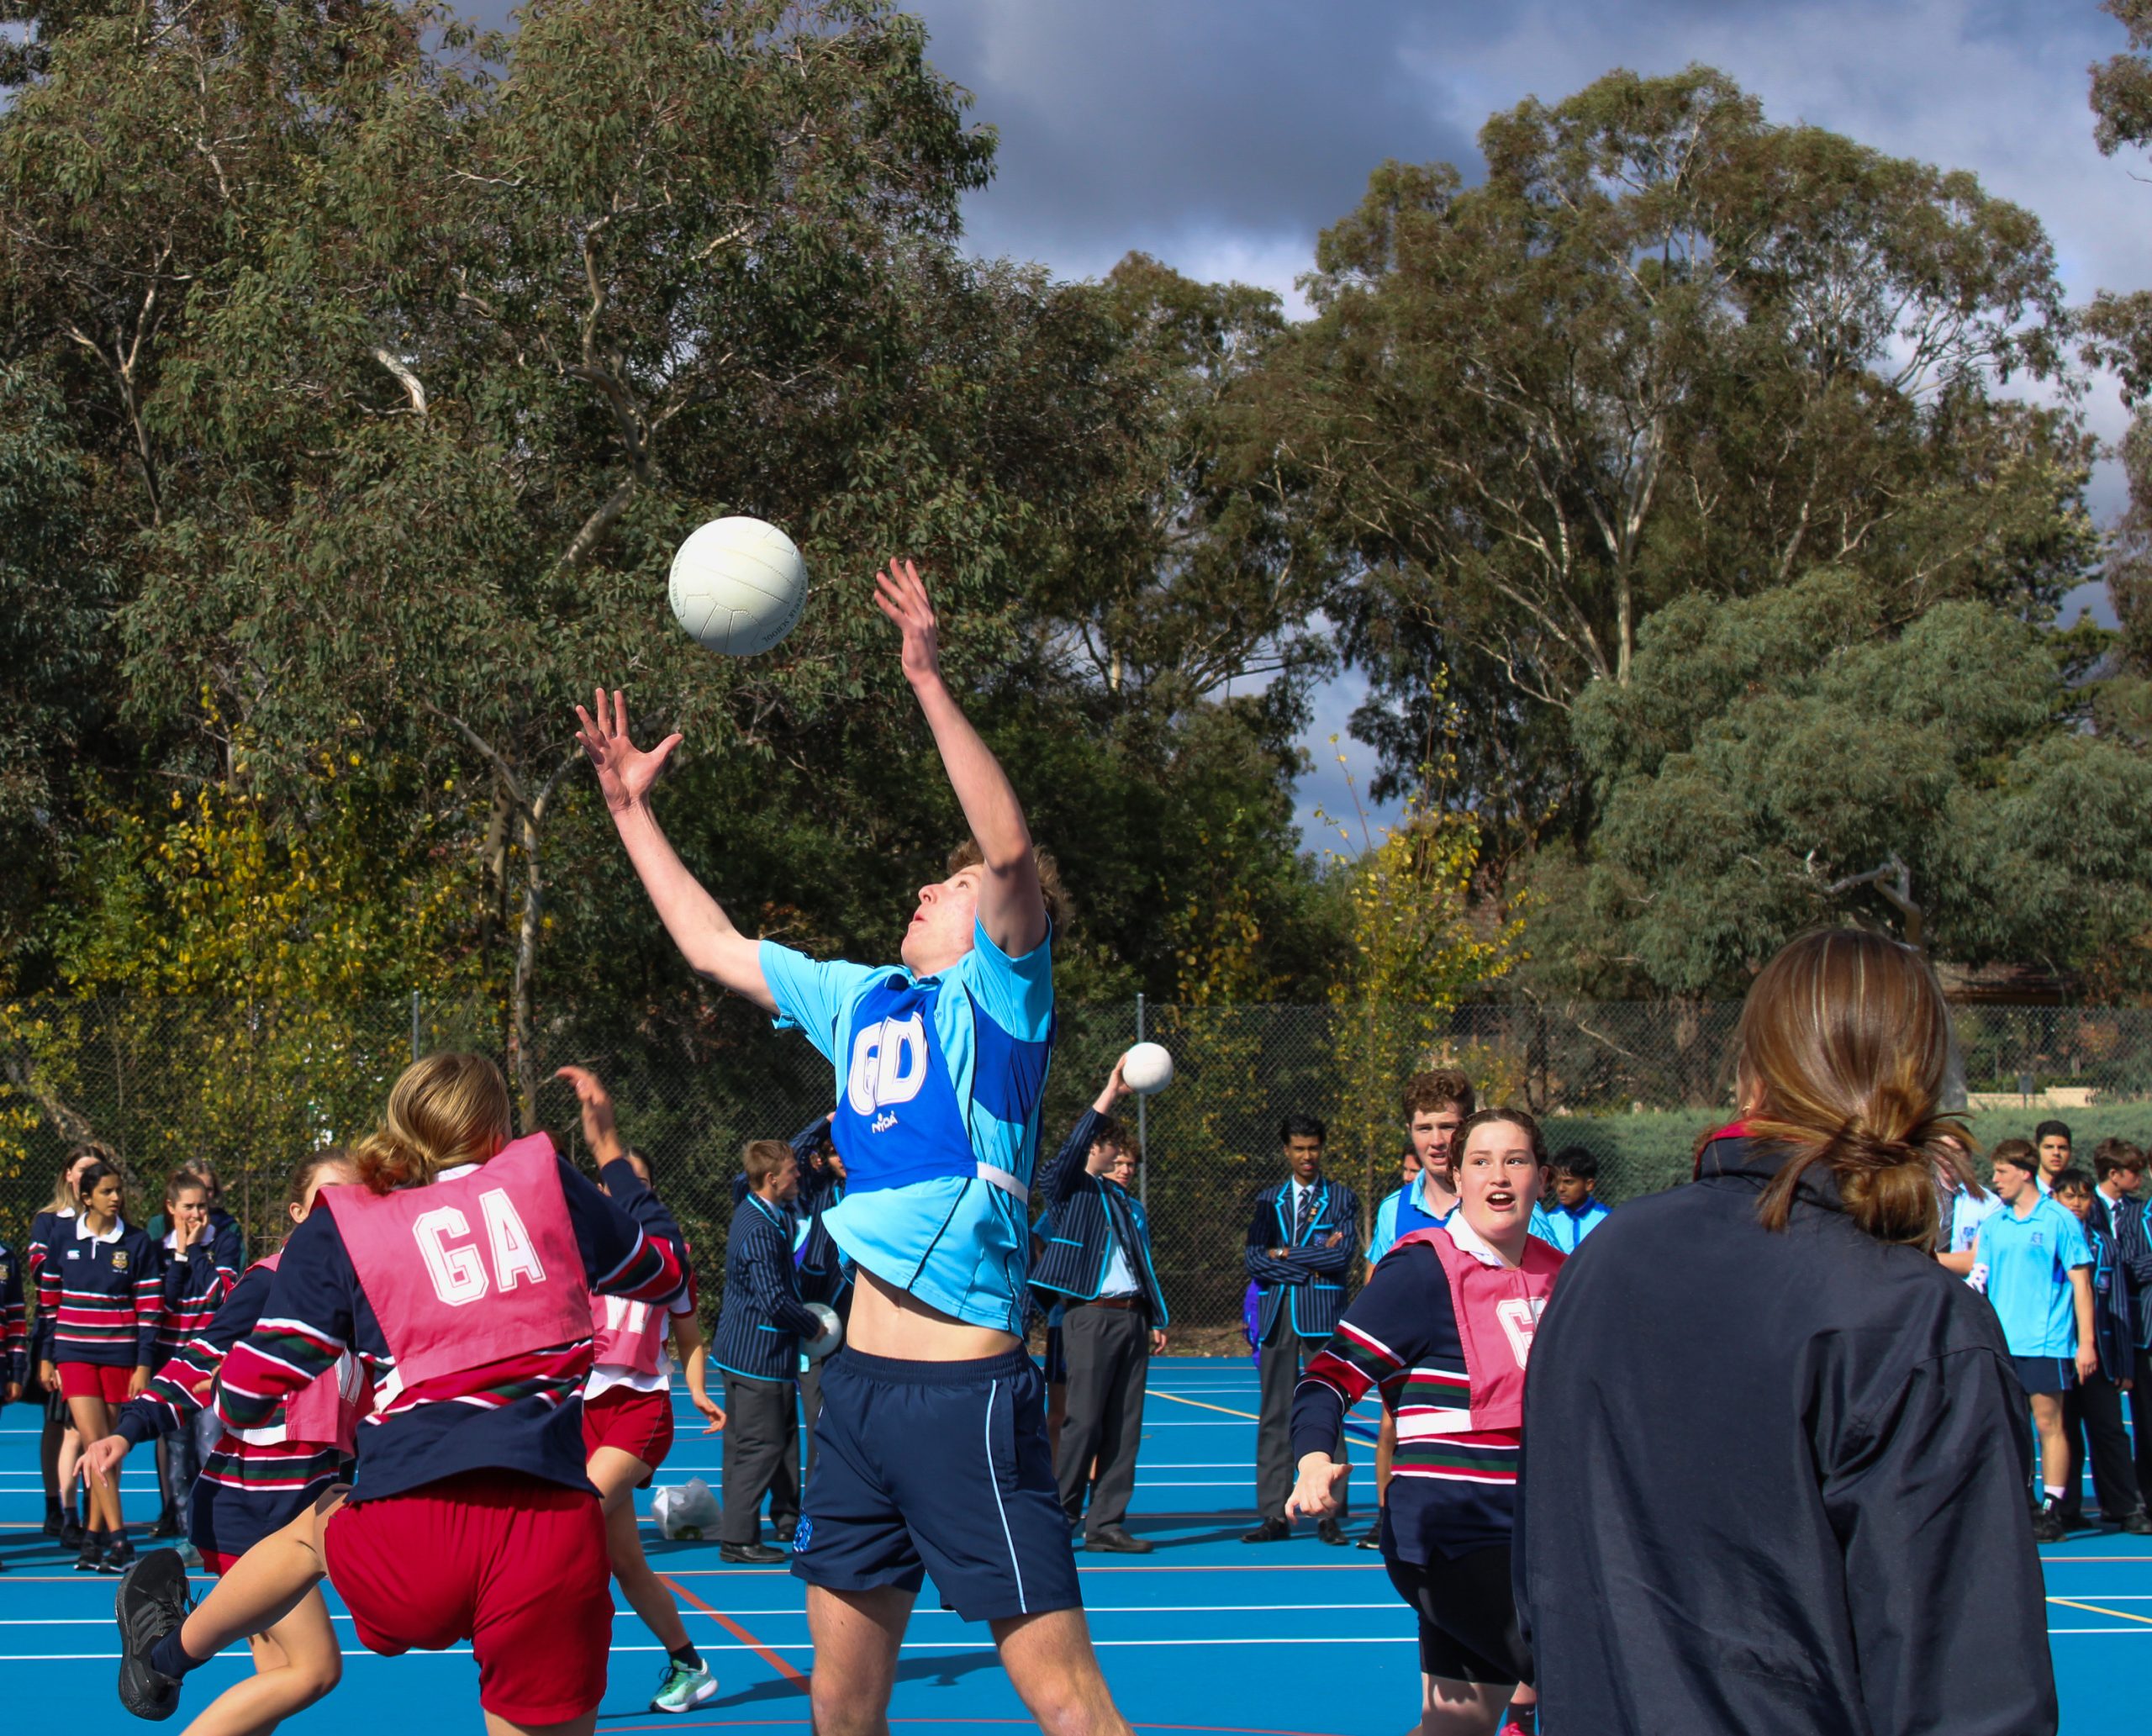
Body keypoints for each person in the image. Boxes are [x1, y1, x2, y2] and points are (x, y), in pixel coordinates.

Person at [579, 558, 1136, 1736]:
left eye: (951, 881)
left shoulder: (1000, 1008)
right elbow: (712, 942)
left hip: (966, 1394)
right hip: (860, 1398)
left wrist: (928, 681)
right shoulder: (857, 998)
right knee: (841, 1704)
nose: (932, 884)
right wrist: (632, 811)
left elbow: (1013, 852)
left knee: (1065, 1699)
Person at [1517, 929, 2058, 1734]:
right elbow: (1967, 1693)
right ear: (1925, 1079)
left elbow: (1540, 1592)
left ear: (1752, 1072)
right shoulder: (1907, 1315)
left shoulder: (1606, 1258)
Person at [110, 1052, 689, 1735]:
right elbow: (667, 1270)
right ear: (498, 1128)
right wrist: (610, 1153)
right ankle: (169, 1654)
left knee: (312, 1529)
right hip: (548, 1527)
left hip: (411, 1526)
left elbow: (242, 1395)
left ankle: (169, 1656)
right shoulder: (546, 1183)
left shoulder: (347, 1222)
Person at [1290, 1109, 1563, 1736]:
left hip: (1535, 1536)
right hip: (1450, 1535)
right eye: (1481, 1161)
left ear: (1542, 1178)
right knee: (1590, 1674)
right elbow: (1327, 1377)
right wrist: (1311, 1459)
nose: (1499, 1176)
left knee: (1456, 1727)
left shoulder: (1562, 1277)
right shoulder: (1421, 1272)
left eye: (1516, 1161)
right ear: (1457, 1178)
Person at [83, 1150, 362, 1735]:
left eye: (356, 1199)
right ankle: (159, 1652)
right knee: (314, 1669)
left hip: (300, 1504)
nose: (342, 1213)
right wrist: (129, 1430)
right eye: (326, 1201)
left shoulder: (368, 1292)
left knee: (277, 1678)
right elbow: (199, 1358)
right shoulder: (270, 1282)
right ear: (295, 1212)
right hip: (252, 1507)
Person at [558, 1063, 727, 1713]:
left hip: (638, 1410)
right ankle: (689, 1663)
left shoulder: (664, 1255)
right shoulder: (581, 1251)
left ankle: (568, 1677)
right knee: (625, 1559)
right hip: (585, 1411)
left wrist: (699, 1389)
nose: (625, 1196)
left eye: (638, 1186)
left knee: (569, 1529)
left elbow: (688, 1336)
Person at [1031, 1053, 1170, 1554]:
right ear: (1093, 1149)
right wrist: (1110, 1092)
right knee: (1082, 1420)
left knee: (1124, 1424)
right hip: (1088, 1315)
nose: (1116, 1155)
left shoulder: (1127, 1206)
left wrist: (1156, 1316)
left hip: (1130, 1315)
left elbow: (1143, 1264)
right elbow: (1064, 1159)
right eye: (1106, 1144)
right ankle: (1061, 1515)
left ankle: (1107, 1522)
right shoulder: (1073, 1193)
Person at [1362, 1069, 1474, 1550]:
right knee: (1399, 1433)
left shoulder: (1495, 1196)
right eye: (1424, 1127)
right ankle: (1391, 1518)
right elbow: (1376, 1286)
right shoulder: (1395, 1209)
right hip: (1419, 1360)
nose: (1436, 1139)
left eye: (1447, 1126)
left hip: (1479, 1356)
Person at [36, 1158, 161, 1571]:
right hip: (74, 1355)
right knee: (95, 1443)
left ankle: (92, 1539)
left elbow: (148, 1310)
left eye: (118, 1190)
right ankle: (121, 1540)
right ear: (84, 1196)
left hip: (121, 1356)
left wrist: (144, 1365)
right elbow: (49, 1304)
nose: (116, 1198)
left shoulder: (138, 1243)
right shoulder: (60, 1237)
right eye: (107, 1191)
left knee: (109, 1451)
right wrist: (47, 1356)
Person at [1243, 1111, 1360, 1545]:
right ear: (1286, 1151)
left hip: (1322, 1319)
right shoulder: (1267, 1201)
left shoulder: (1342, 1199)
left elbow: (1341, 1256)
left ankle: (1329, 1512)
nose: (1307, 1156)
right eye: (1299, 1148)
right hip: (1277, 1316)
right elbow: (1254, 1260)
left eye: (1313, 1148)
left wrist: (1283, 1257)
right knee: (1274, 1414)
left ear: (1321, 1149)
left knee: (1330, 1408)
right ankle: (1274, 1513)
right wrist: (1305, 1256)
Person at [1975, 1141, 2097, 1541]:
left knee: (2050, 1423)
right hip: (2002, 1343)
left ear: (2024, 1172)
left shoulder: (2059, 1220)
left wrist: (2087, 1342)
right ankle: (2021, 1500)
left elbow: (2082, 1284)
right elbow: (1980, 1278)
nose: (1994, 1181)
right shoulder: (1995, 1224)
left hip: (2046, 1343)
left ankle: (2052, 1506)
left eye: (2001, 1172)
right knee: (2011, 1426)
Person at [714, 1137, 822, 1564]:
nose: (799, 1175)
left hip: (747, 1351)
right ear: (772, 1179)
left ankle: (768, 1520)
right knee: (761, 1445)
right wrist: (812, 1325)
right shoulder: (760, 1228)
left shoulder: (763, 1213)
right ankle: (738, 1537)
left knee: (755, 1441)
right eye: (793, 1171)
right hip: (758, 1354)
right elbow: (774, 1299)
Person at [2051, 1168, 2151, 1533]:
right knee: (2064, 1432)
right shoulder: (2046, 1241)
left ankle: (2124, 1506)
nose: (2076, 1204)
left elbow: (2120, 1308)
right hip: (2058, 1352)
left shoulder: (2105, 1245)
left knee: (2109, 1430)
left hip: (2100, 1357)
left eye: (2083, 1196)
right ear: (2055, 1199)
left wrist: (2122, 1362)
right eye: (2068, 1196)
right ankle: (2065, 1508)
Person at [28, 1143, 105, 1545]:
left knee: (88, 1427)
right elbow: (44, 1273)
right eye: (82, 1169)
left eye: (97, 1169)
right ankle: (56, 1507)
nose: (89, 1175)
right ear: (69, 1177)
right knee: (57, 1425)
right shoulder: (49, 1222)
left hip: (99, 1337)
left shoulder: (112, 1223)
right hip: (57, 1333)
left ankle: (92, 1511)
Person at [150, 1169, 231, 1549]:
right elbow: (163, 1303)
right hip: (171, 1365)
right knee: (178, 1452)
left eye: (202, 1205)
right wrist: (181, 1255)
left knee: (210, 1444)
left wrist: (197, 1250)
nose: (197, 1214)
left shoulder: (224, 1242)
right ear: (171, 1208)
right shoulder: (156, 1251)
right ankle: (188, 1534)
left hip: (211, 1363)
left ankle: (214, 1528)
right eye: (188, 1207)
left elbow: (219, 1292)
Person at [789, 1111, 849, 1484]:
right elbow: (794, 1154)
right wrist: (827, 1121)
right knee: (818, 1421)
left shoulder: (874, 1188)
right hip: (821, 1318)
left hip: (863, 1313)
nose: (840, 1157)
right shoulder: (819, 1191)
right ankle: (816, 1510)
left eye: (846, 1148)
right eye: (832, 1151)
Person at [2096, 1140, 2152, 1496]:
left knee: (2141, 1417)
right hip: (2100, 1325)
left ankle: (2141, 1494)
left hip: (2137, 1327)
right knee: (2100, 1420)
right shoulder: (2090, 1206)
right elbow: (2123, 1263)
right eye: (2135, 1170)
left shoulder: (2138, 1210)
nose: (2142, 1177)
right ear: (2114, 1174)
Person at [1532, 1148, 1609, 1254]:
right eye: (1557, 1182)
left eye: (1568, 1182)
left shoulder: (1608, 1219)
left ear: (1589, 1184)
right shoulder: (1549, 1222)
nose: (1561, 1188)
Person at [2034, 1119, 2073, 1194]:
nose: (2056, 1153)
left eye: (2062, 1148)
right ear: (2037, 1149)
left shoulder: (2078, 1197)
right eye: (2049, 1147)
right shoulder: (2024, 1193)